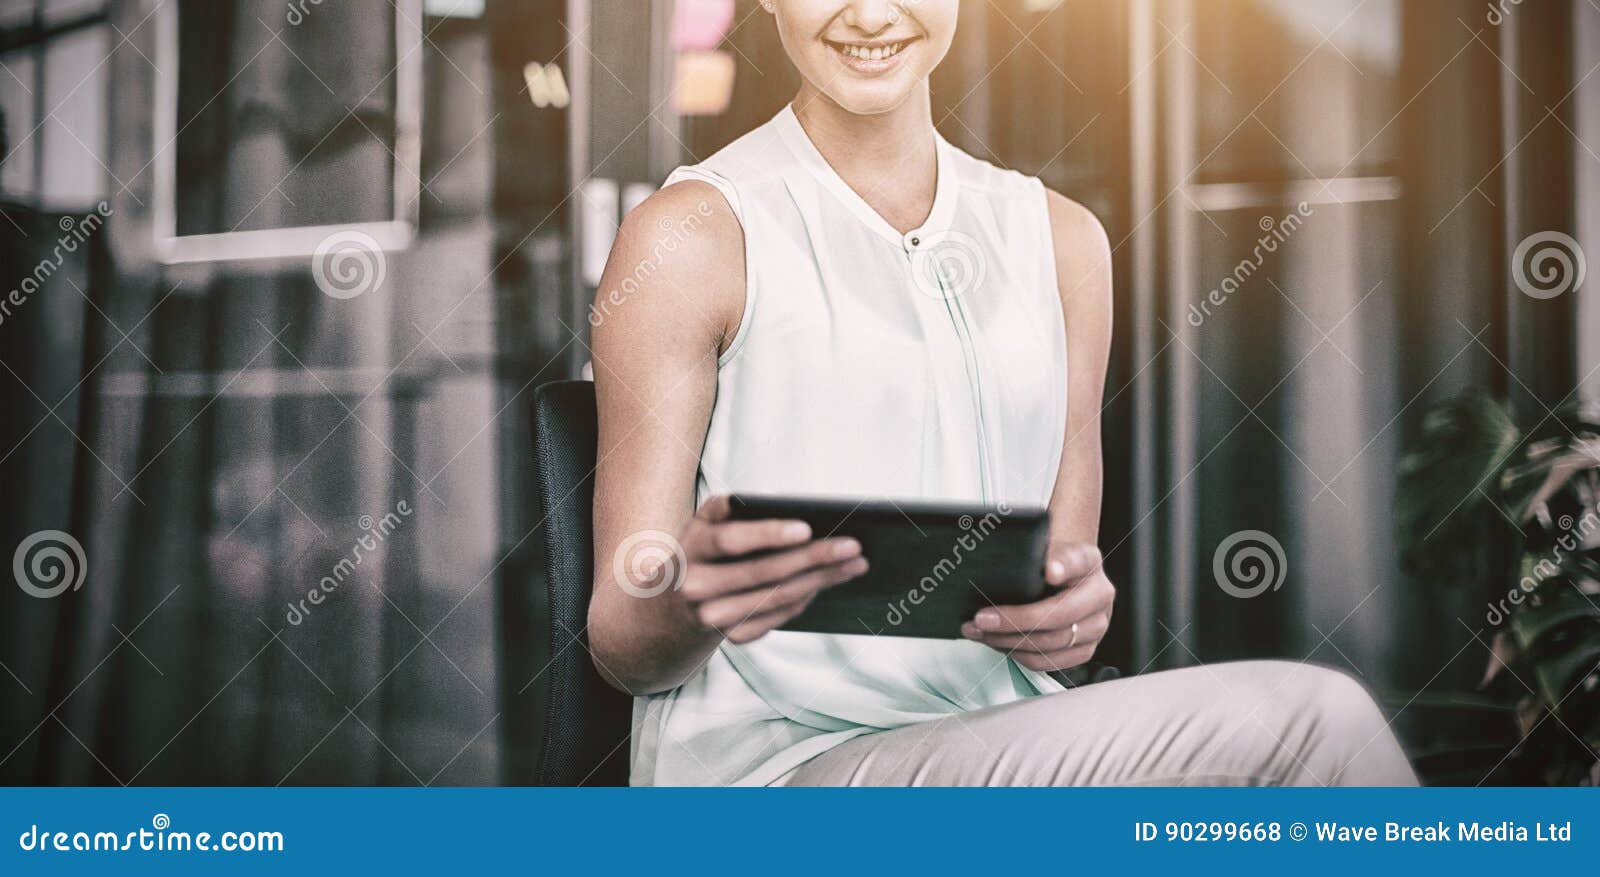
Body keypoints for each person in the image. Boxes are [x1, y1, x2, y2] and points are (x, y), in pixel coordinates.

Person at [585, 0, 1417, 787]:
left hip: (1001, 743)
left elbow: (1060, 605)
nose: (872, 15)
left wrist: (1074, 618)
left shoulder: (1062, 243)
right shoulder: (690, 235)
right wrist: (698, 599)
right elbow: (622, 644)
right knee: (1314, 726)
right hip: (783, 773)